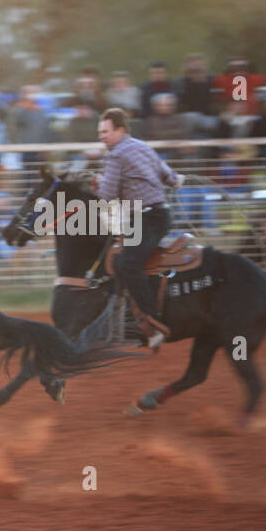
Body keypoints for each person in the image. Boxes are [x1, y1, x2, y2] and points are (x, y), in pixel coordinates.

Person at [96, 107, 181, 350]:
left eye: (105, 131)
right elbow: (170, 177)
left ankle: (151, 320)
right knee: (130, 261)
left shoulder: (115, 155)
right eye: (100, 132)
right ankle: (135, 320)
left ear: (120, 130)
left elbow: (107, 194)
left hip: (146, 217)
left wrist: (98, 183)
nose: (102, 136)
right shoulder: (143, 147)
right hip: (160, 215)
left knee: (126, 264)